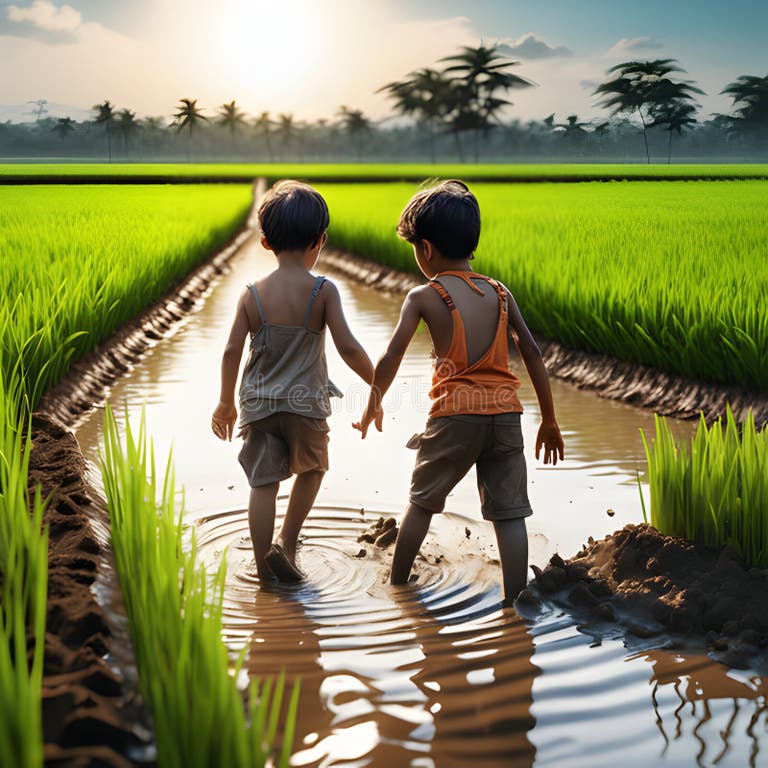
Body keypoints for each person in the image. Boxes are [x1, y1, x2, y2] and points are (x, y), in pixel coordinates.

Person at [354, 179, 564, 604]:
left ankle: (397, 586)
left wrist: (373, 402)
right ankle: (515, 601)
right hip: (506, 416)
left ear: (426, 249)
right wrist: (550, 419)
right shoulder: (501, 293)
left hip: (454, 417)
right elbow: (534, 353)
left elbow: (392, 356)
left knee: (422, 502)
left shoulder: (423, 296)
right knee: (509, 514)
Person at [212, 180, 381, 582]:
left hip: (257, 404)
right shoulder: (322, 291)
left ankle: (261, 570)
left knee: (263, 483)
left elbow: (231, 351)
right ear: (320, 240)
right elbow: (348, 347)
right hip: (305, 405)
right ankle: (286, 544)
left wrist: (225, 402)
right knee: (313, 469)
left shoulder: (251, 295)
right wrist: (377, 383)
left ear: (266, 241)